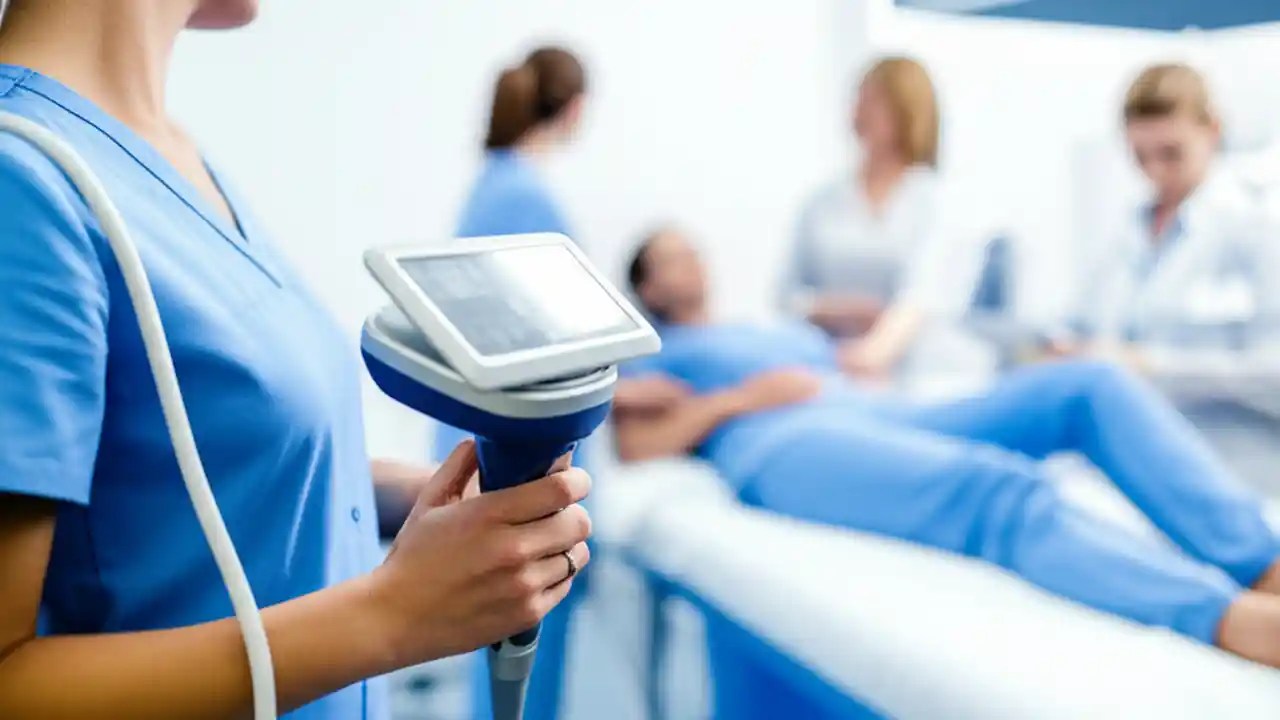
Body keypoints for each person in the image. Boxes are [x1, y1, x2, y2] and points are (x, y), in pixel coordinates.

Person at [0, 3, 591, 718]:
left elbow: (182, 468)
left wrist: (408, 499)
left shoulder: (167, 155)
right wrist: (394, 614)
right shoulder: (24, 177)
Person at [615, 226, 1280, 666]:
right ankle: (1231, 618)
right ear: (647, 287)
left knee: (1088, 384)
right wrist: (741, 400)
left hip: (874, 410)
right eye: (672, 256)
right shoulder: (659, 352)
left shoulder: (765, 325)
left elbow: (872, 346)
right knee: (992, 487)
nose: (693, 258)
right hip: (779, 441)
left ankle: (1261, 563)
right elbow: (641, 445)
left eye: (692, 247)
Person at [435, 46, 590, 720]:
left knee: (497, 657)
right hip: (522, 461)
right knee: (522, 667)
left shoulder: (491, 184)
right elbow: (558, 350)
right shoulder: (528, 193)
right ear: (576, 109)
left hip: (483, 442)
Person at [1051, 63, 1280, 492]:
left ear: (1212, 130)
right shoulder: (1127, 234)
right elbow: (1085, 325)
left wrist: (1154, 366)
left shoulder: (1256, 228)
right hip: (1138, 472)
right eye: (1140, 157)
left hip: (1238, 473)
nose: (1155, 172)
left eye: (1171, 154)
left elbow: (1274, 370)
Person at [784, 56, 981, 379]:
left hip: (919, 369)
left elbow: (924, 297)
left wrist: (873, 353)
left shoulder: (937, 202)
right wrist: (832, 310)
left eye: (876, 101)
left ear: (907, 112)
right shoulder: (821, 202)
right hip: (831, 363)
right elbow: (785, 295)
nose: (861, 111)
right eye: (859, 98)